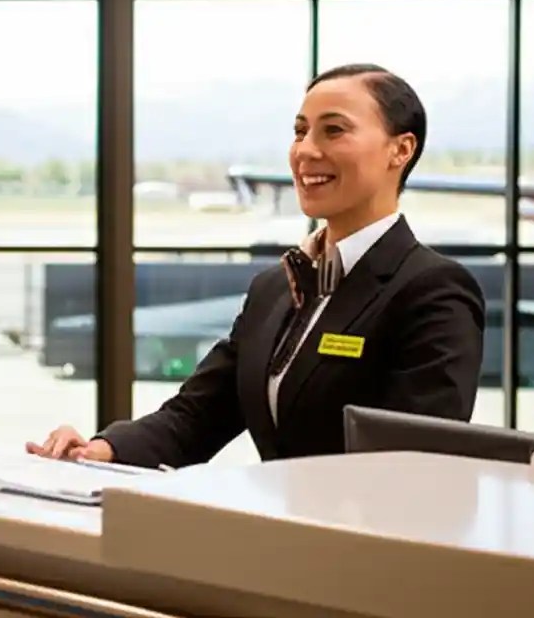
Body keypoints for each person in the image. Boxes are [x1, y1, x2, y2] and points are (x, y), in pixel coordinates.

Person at [29, 64, 485, 469]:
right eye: (300, 131)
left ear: (400, 150)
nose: (306, 150)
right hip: (278, 543)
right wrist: (100, 450)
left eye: (334, 131)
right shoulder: (276, 289)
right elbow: (196, 417)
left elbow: (417, 463)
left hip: (364, 551)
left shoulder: (432, 290)